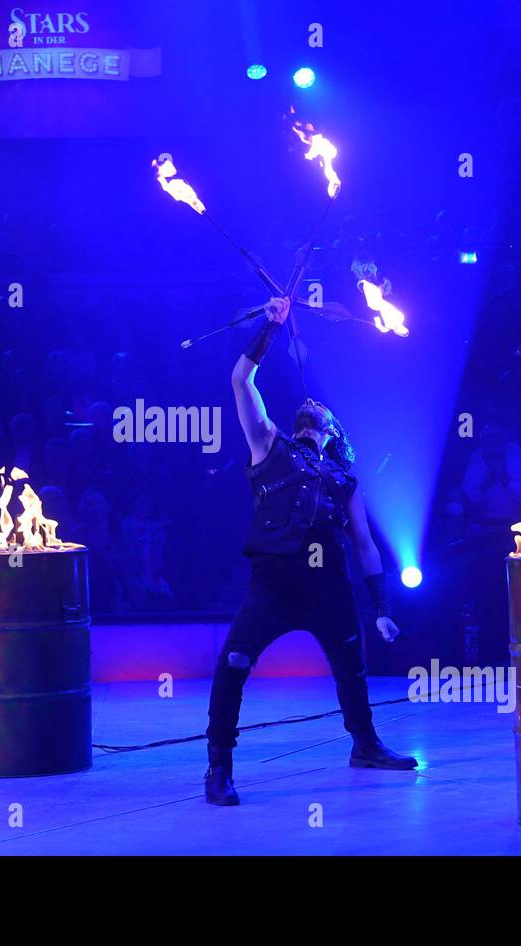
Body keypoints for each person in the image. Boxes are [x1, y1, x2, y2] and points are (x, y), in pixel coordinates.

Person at [204, 297, 417, 807]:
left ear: (332, 430)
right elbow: (240, 381)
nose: (312, 405)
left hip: (329, 588)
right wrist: (268, 326)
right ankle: (218, 767)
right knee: (234, 659)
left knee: (351, 665)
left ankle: (365, 746)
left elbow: (365, 545)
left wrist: (383, 608)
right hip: (274, 583)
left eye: (322, 409)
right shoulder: (269, 446)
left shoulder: (344, 480)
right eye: (309, 406)